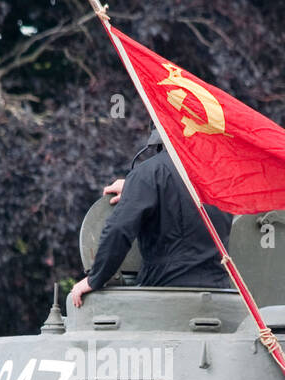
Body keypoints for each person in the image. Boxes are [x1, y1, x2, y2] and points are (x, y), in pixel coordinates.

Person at [70, 130, 232, 307]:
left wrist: (94, 279)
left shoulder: (150, 173)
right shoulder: (221, 175)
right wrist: (136, 189)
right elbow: (186, 194)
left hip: (165, 296)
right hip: (219, 293)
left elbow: (119, 229)